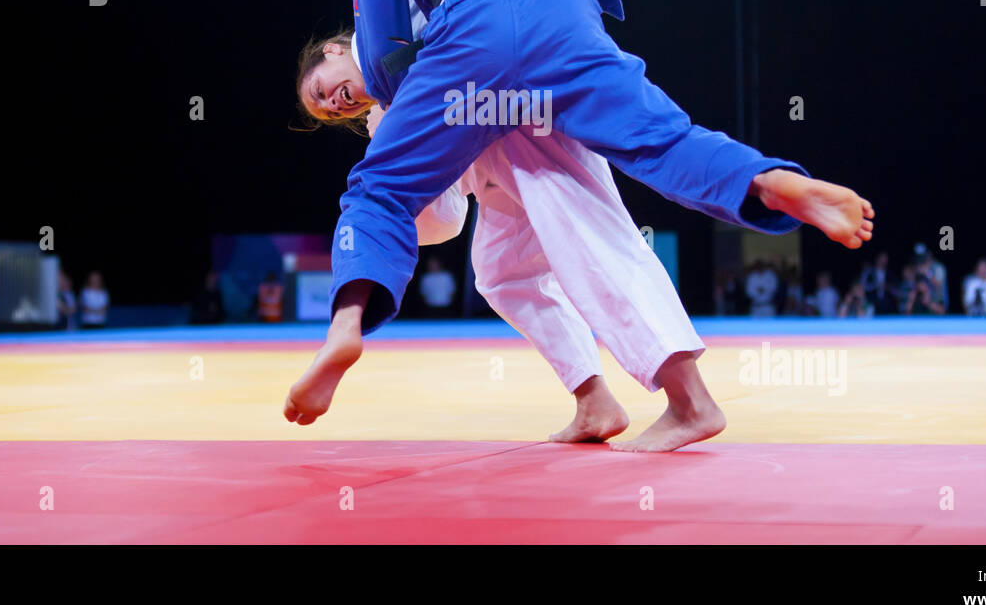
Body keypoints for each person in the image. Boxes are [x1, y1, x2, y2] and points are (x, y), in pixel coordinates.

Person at [288, 0, 874, 451]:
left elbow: (382, 51)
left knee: (390, 194)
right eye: (329, 108)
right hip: (562, 20)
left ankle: (347, 326)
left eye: (330, 88)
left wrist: (417, 105)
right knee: (613, 179)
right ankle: (770, 182)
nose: (339, 101)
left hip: (473, 51)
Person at [297, 27, 709, 445]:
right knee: (503, 273)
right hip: (491, 152)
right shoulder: (394, 102)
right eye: (331, 113)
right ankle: (594, 401)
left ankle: (691, 403)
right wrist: (387, 130)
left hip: (520, 106)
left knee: (595, 249)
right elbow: (445, 222)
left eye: (321, 91)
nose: (334, 105)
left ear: (333, 49)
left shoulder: (388, 25)